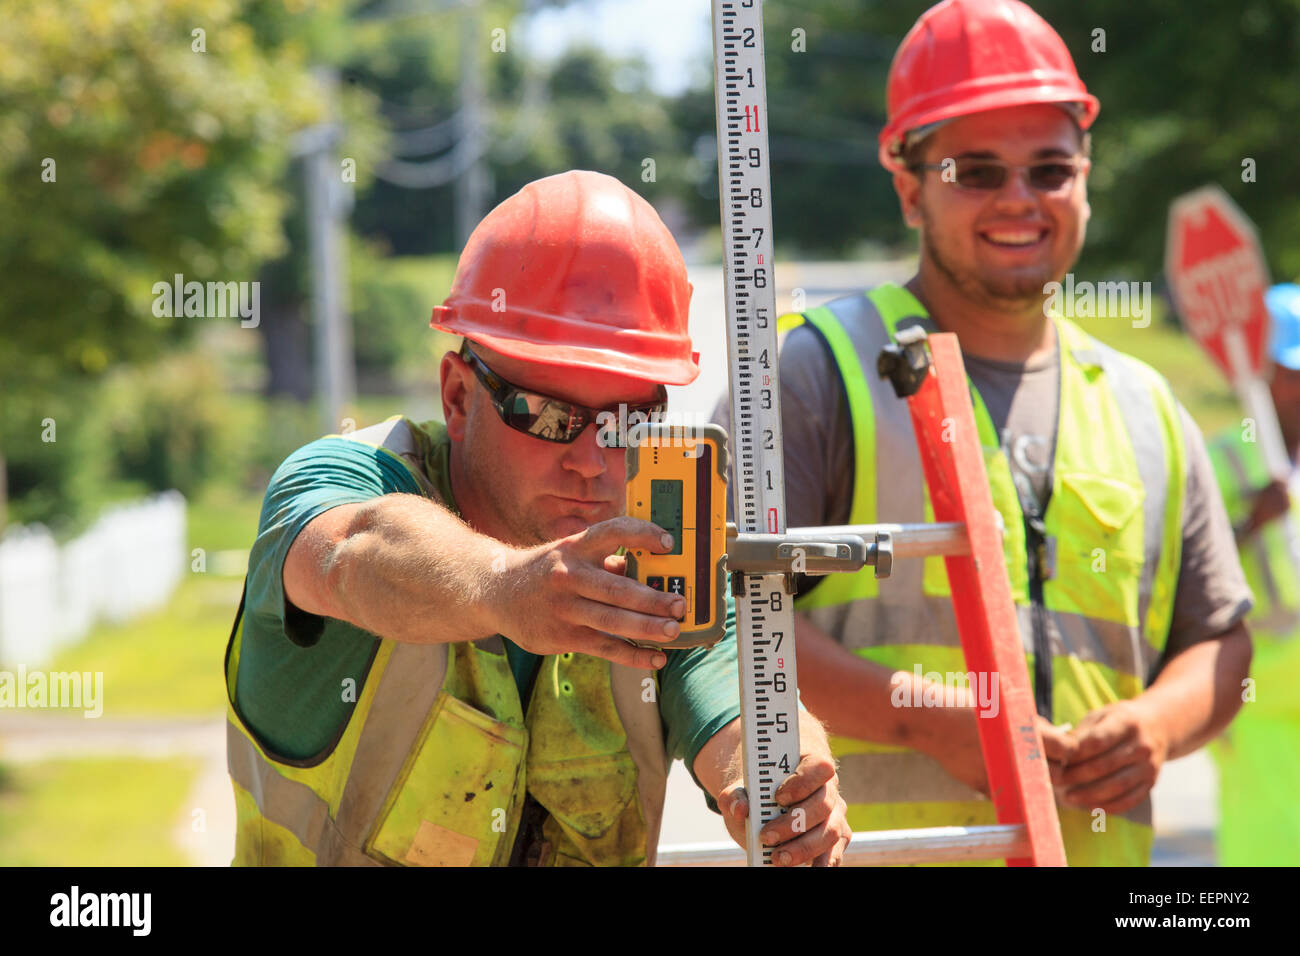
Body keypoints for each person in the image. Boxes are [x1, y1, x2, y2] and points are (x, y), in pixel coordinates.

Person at [223, 170, 850, 867]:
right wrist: (504, 587)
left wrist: (783, 781)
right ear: (458, 396)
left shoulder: (653, 545)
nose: (590, 461)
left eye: (625, 421)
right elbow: (352, 552)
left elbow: (730, 680)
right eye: (550, 416)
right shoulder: (342, 478)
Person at [753, 0, 1253, 865]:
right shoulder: (812, 376)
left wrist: (1157, 726)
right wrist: (925, 716)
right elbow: (728, 632)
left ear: (1085, 179)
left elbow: (1219, 638)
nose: (1019, 199)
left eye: (1049, 170)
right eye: (976, 172)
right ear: (910, 188)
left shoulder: (1147, 407)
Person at [1207, 283, 1300, 865]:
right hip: (1258, 690)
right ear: (1257, 371)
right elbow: (1191, 575)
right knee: (1269, 842)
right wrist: (1251, 519)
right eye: (1290, 370)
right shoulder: (1221, 458)